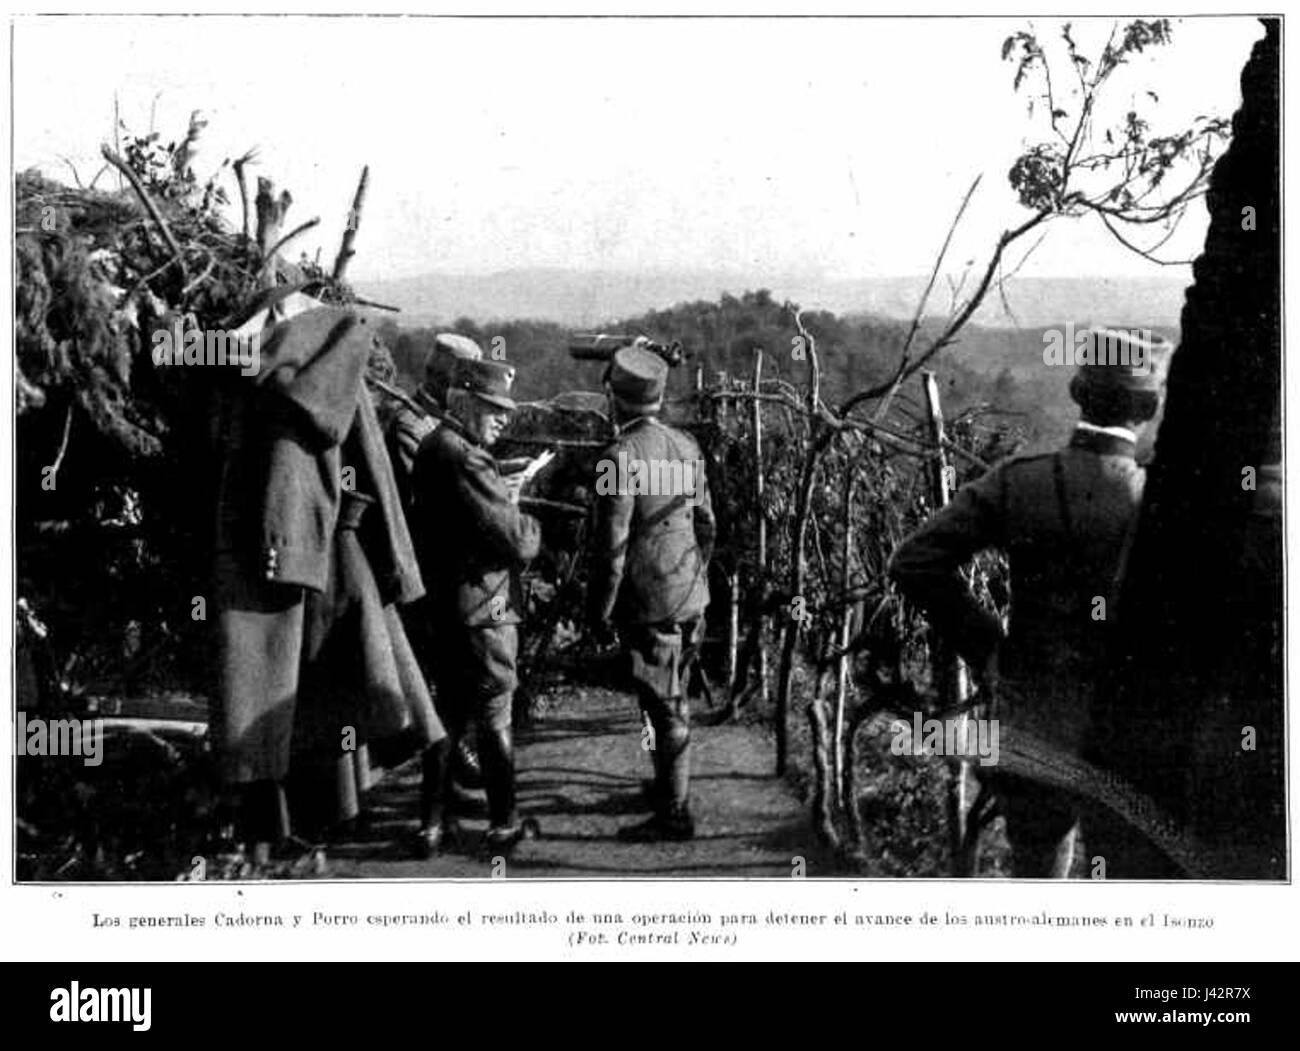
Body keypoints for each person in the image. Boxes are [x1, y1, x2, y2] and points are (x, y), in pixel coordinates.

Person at [889, 328, 1172, 878]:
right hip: (1130, 735)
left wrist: (989, 647)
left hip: (1034, 725)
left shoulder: (1021, 484)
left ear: (1078, 390)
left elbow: (915, 562)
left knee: (1039, 883)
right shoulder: (1164, 503)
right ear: (1151, 406)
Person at [410, 357, 540, 854]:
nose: (503, 418)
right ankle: (504, 824)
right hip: (484, 608)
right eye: (491, 408)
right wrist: (520, 507)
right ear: (463, 401)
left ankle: (431, 827)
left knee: (446, 713)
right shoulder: (469, 459)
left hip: (442, 602)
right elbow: (517, 543)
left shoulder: (433, 445)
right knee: (494, 712)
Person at [588, 345, 716, 842]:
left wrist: (597, 611)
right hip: (689, 593)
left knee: (666, 706)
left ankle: (675, 815)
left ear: (613, 397)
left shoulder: (617, 457)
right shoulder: (686, 447)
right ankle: (667, 789)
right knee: (669, 696)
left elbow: (611, 549)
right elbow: (706, 524)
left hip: (648, 601)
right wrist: (693, 577)